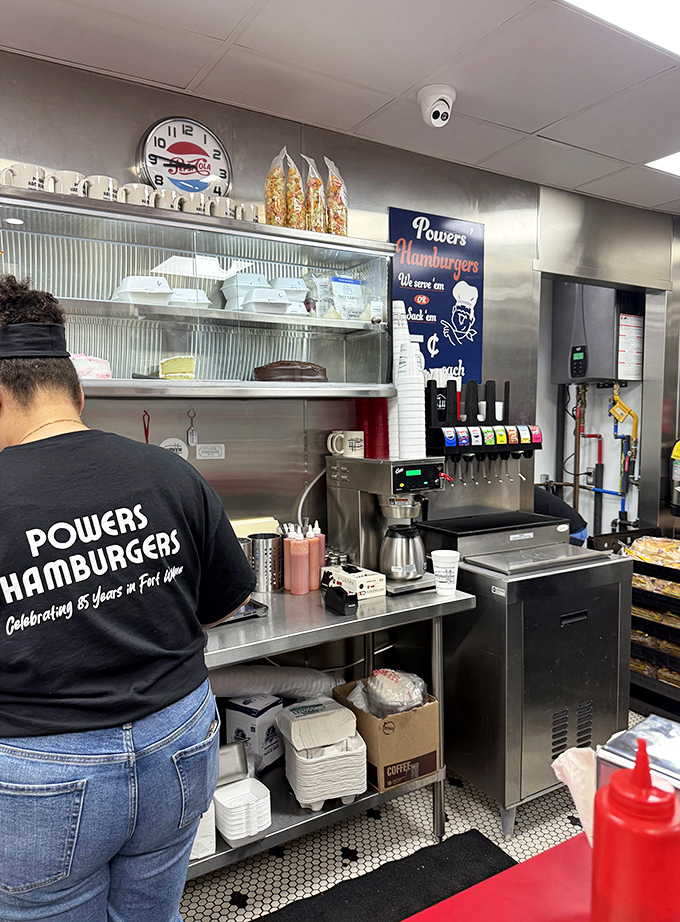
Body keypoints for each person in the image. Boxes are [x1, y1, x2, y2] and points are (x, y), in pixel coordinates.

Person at [0, 275, 256, 921]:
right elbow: (223, 602)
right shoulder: (169, 471)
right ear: (75, 389)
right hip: (180, 742)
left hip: (41, 771)